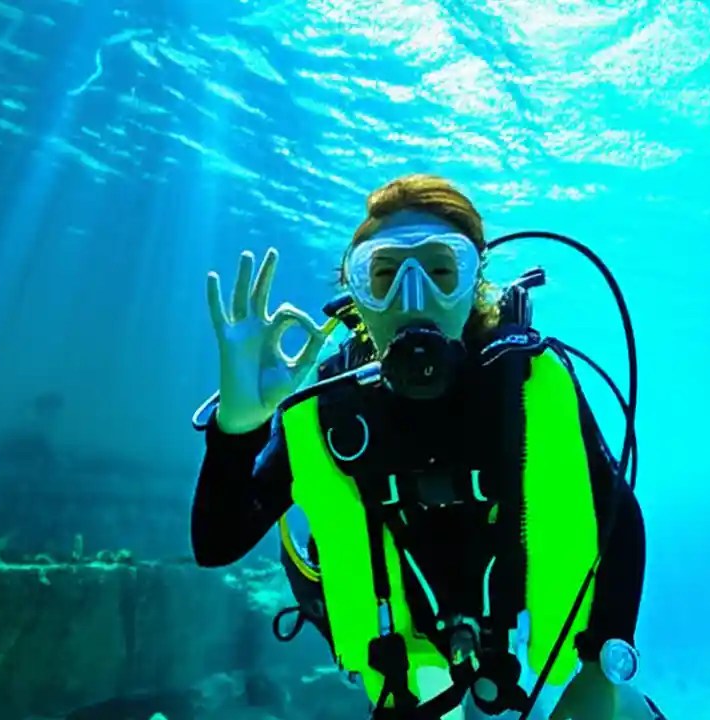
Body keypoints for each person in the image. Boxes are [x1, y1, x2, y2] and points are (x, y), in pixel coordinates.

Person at [190, 174, 665, 720]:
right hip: (406, 658)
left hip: (515, 645)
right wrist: (237, 427)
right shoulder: (332, 410)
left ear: (474, 281)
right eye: (384, 275)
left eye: (442, 271)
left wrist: (600, 666)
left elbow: (617, 513)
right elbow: (216, 542)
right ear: (357, 294)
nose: (412, 299)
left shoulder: (523, 387)